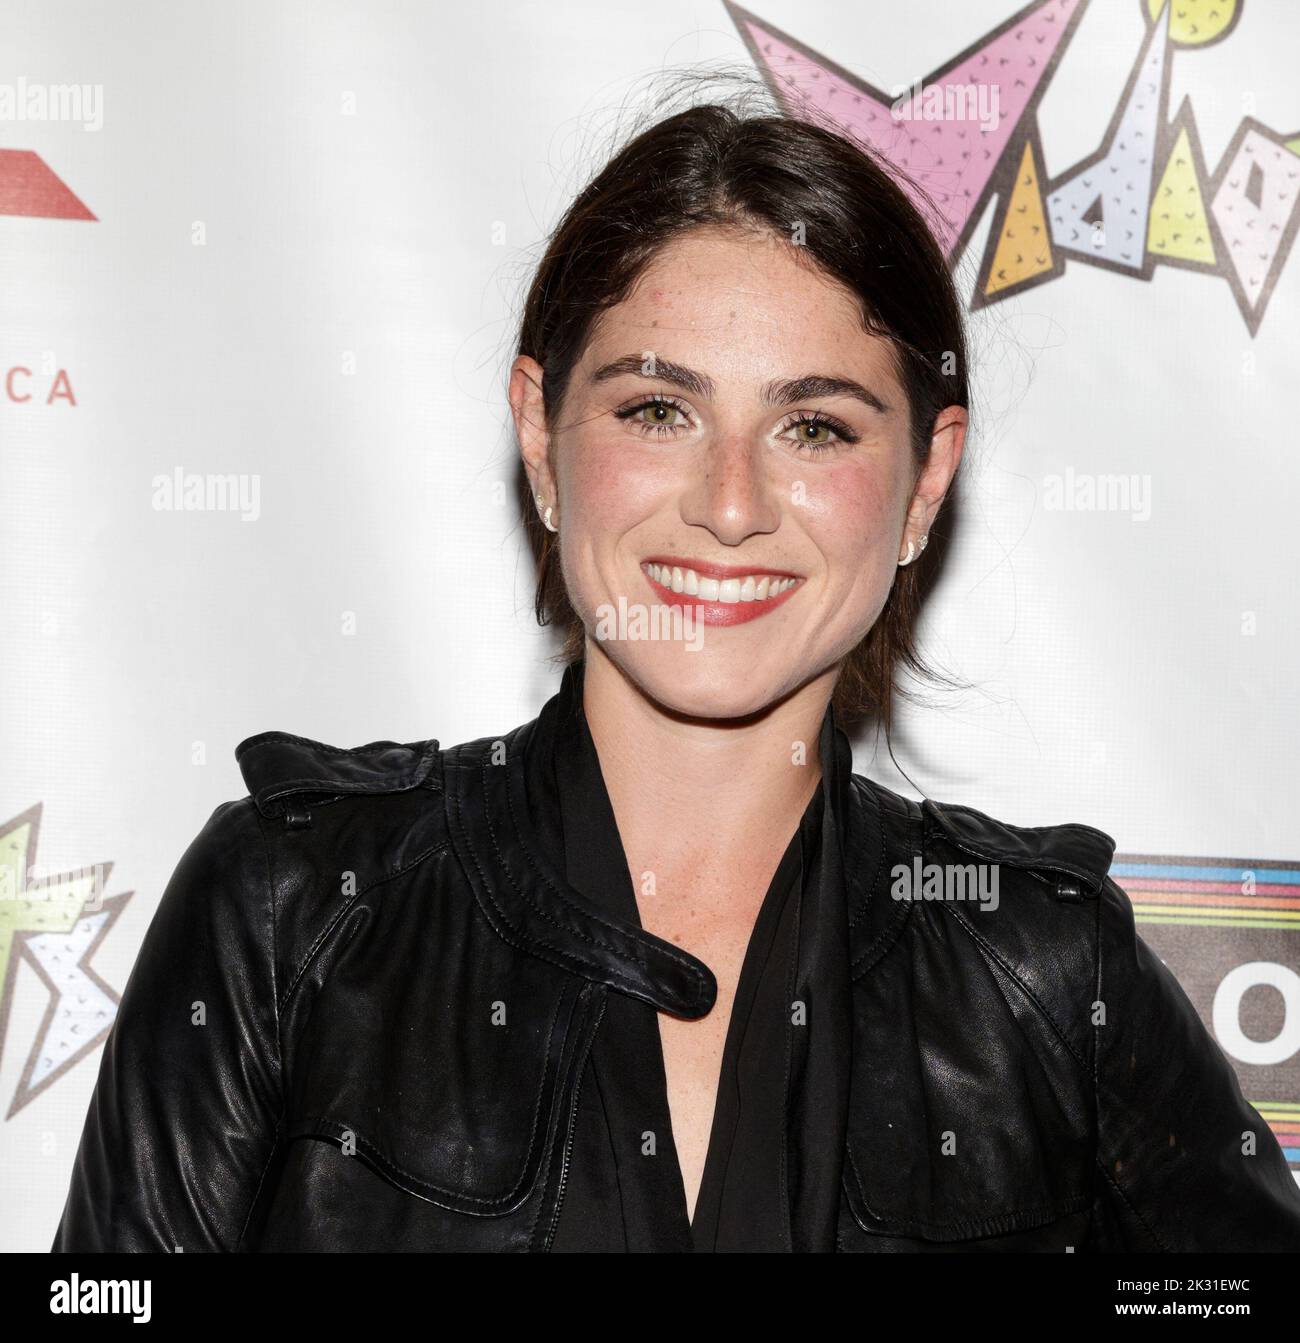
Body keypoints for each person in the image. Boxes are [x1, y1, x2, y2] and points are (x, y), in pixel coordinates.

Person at [51, 99, 1300, 1253]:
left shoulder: (1044, 968)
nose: (731, 504)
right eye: (659, 409)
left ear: (925, 481)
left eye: (814, 426)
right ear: (541, 436)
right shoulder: (292, 903)